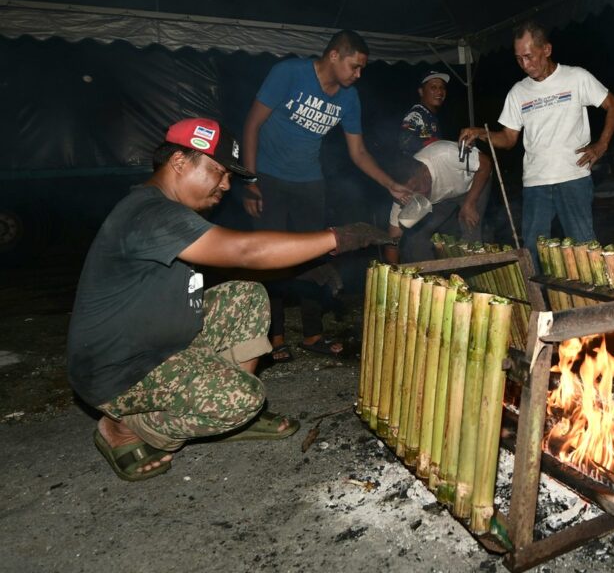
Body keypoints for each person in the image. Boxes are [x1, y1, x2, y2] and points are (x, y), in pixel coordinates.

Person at [66, 118, 393, 482]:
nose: (225, 184)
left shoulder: (167, 211)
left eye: (228, 176)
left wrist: (302, 270)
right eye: (218, 171)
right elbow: (245, 251)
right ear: (179, 162)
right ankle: (124, 428)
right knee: (243, 399)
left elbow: (234, 263)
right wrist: (339, 238)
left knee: (247, 294)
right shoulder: (151, 213)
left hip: (157, 343)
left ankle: (229, 420)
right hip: (119, 371)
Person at [241, 30, 411, 361]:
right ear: (334, 56)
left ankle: (312, 334)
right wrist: (250, 181)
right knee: (271, 257)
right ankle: (274, 337)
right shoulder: (289, 73)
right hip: (269, 178)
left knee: (315, 256)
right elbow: (252, 125)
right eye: (355, 66)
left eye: (362, 69)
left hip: (309, 182)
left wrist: (390, 184)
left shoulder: (349, 98)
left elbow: (358, 152)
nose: (358, 74)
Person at [459, 21, 614, 271]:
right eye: (519, 59)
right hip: (536, 183)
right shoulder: (518, 92)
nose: (525, 65)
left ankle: (593, 293)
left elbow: (613, 105)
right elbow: (508, 139)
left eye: (529, 56)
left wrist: (602, 144)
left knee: (583, 247)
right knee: (533, 250)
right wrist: (482, 133)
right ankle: (540, 295)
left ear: (546, 49)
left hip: (573, 177)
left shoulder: (576, 77)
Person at [383, 139, 492, 263]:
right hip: (443, 196)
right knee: (417, 237)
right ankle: (430, 272)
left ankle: (473, 268)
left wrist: (470, 203)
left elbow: (486, 164)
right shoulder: (403, 195)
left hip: (473, 183)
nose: (415, 196)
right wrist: (392, 269)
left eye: (417, 188)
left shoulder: (444, 154)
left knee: (469, 228)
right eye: (410, 195)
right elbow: (393, 239)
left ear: (424, 171)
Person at [398, 70, 450, 157]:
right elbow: (404, 141)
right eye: (433, 87)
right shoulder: (416, 114)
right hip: (415, 164)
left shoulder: (430, 116)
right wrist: (433, 143)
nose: (440, 92)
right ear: (421, 92)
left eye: (442, 87)